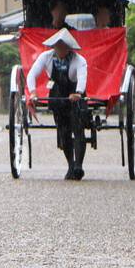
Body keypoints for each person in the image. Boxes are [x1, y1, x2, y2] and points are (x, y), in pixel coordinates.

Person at [26, 28, 88, 180]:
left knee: (78, 129)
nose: (60, 49)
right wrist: (33, 92)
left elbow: (82, 77)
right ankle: (70, 165)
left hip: (75, 96)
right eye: (57, 46)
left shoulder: (79, 60)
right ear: (53, 46)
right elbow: (32, 74)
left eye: (63, 46)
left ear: (69, 47)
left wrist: (78, 93)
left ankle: (78, 166)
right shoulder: (46, 57)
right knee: (64, 131)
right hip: (58, 95)